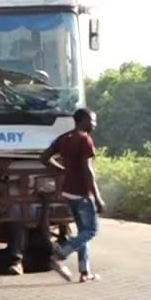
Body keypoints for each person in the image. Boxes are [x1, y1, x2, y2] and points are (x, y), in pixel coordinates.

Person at [41, 107, 105, 282]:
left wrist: (63, 170)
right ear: (83, 120)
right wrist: (97, 197)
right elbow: (88, 171)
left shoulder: (64, 138)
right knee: (91, 230)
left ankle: (85, 272)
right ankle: (59, 255)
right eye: (93, 120)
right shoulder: (85, 140)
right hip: (81, 193)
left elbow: (44, 157)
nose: (95, 124)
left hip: (68, 192)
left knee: (82, 231)